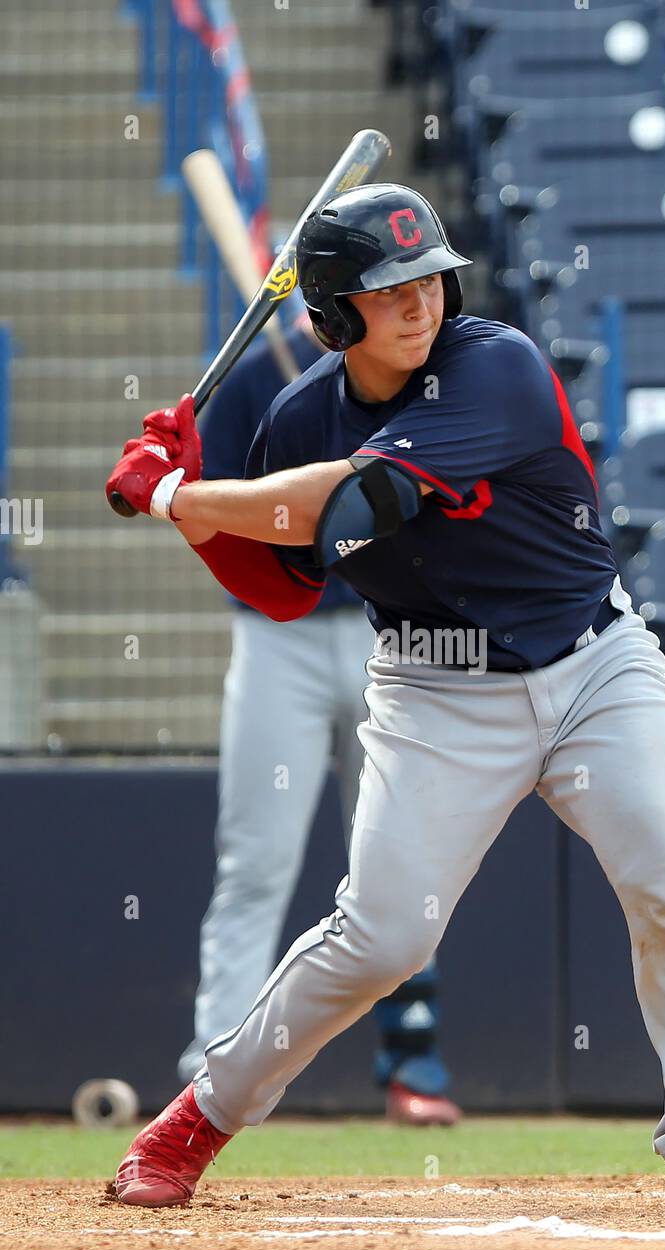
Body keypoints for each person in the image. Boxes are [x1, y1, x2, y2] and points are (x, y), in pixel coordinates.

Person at [106, 183, 665, 1212]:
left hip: (592, 665)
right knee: (382, 940)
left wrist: (179, 495)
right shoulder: (296, 419)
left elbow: (357, 500)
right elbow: (279, 586)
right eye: (387, 289)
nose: (419, 304)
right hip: (433, 690)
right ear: (331, 313)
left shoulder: (494, 366)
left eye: (427, 280)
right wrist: (196, 514)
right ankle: (194, 1119)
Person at [177, 300, 461, 1125]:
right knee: (255, 860)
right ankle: (209, 1073)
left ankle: (416, 1067)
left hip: (395, 633)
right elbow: (213, 508)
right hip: (279, 640)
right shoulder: (254, 378)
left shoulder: (421, 375)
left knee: (404, 866)